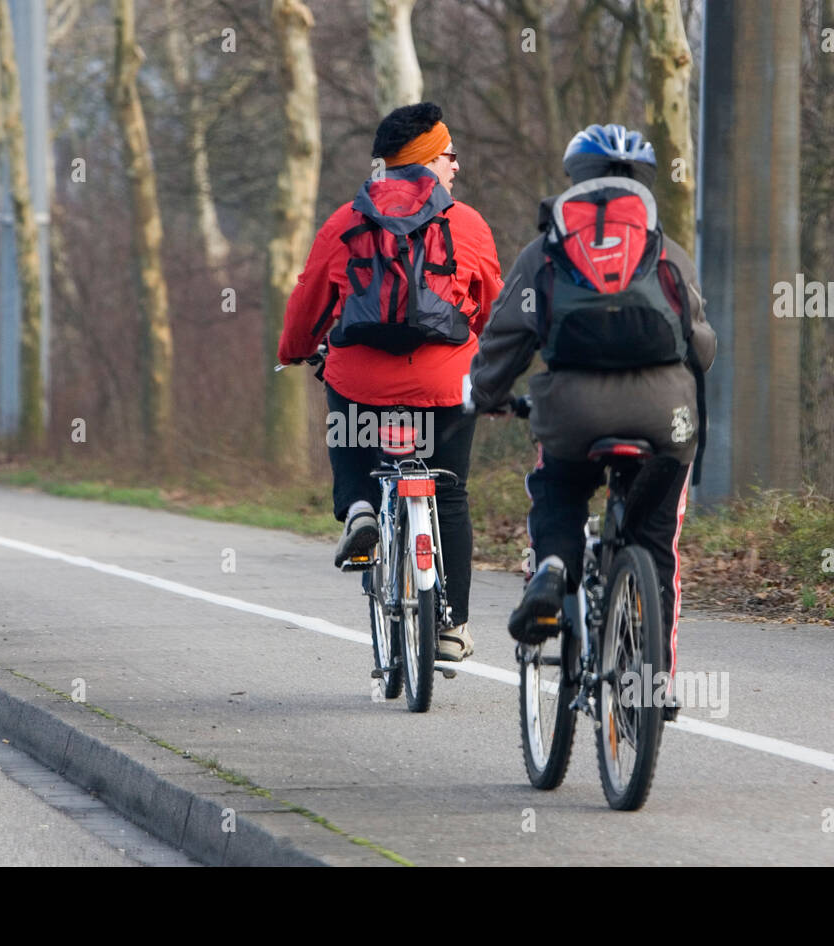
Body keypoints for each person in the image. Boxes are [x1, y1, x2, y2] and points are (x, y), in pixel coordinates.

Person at [466, 123, 716, 686]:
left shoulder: (545, 252)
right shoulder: (666, 251)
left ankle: (554, 566)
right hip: (665, 419)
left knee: (560, 486)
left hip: (574, 415)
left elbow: (508, 336)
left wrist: (485, 396)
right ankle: (655, 684)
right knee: (655, 545)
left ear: (574, 177)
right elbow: (701, 344)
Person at [278, 102, 504, 662]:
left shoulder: (345, 221)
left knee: (342, 392)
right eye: (450, 154)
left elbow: (310, 300)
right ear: (428, 159)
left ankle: (357, 508)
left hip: (362, 383)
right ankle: (451, 627)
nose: (457, 164)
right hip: (445, 387)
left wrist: (298, 351)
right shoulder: (468, 224)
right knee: (449, 492)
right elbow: (492, 307)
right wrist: (486, 355)